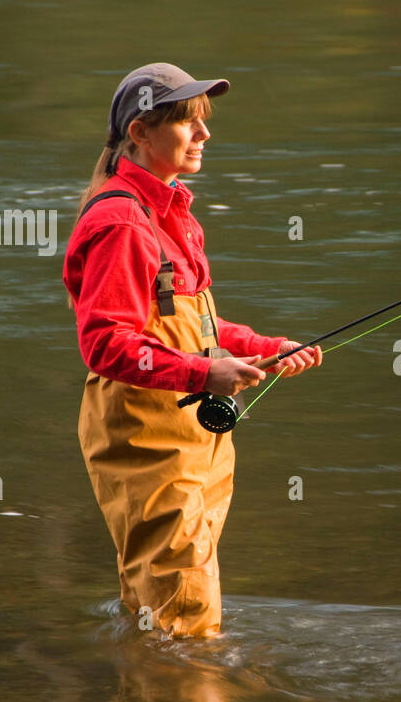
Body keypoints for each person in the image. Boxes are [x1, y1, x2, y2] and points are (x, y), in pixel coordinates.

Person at [63, 62, 321, 638]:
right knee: (185, 619)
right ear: (141, 133)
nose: (204, 135)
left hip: (192, 437)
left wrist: (265, 346)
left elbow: (191, 320)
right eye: (188, 122)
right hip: (146, 438)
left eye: (204, 122)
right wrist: (206, 373)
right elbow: (106, 345)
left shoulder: (172, 211)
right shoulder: (123, 222)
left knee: (165, 606)